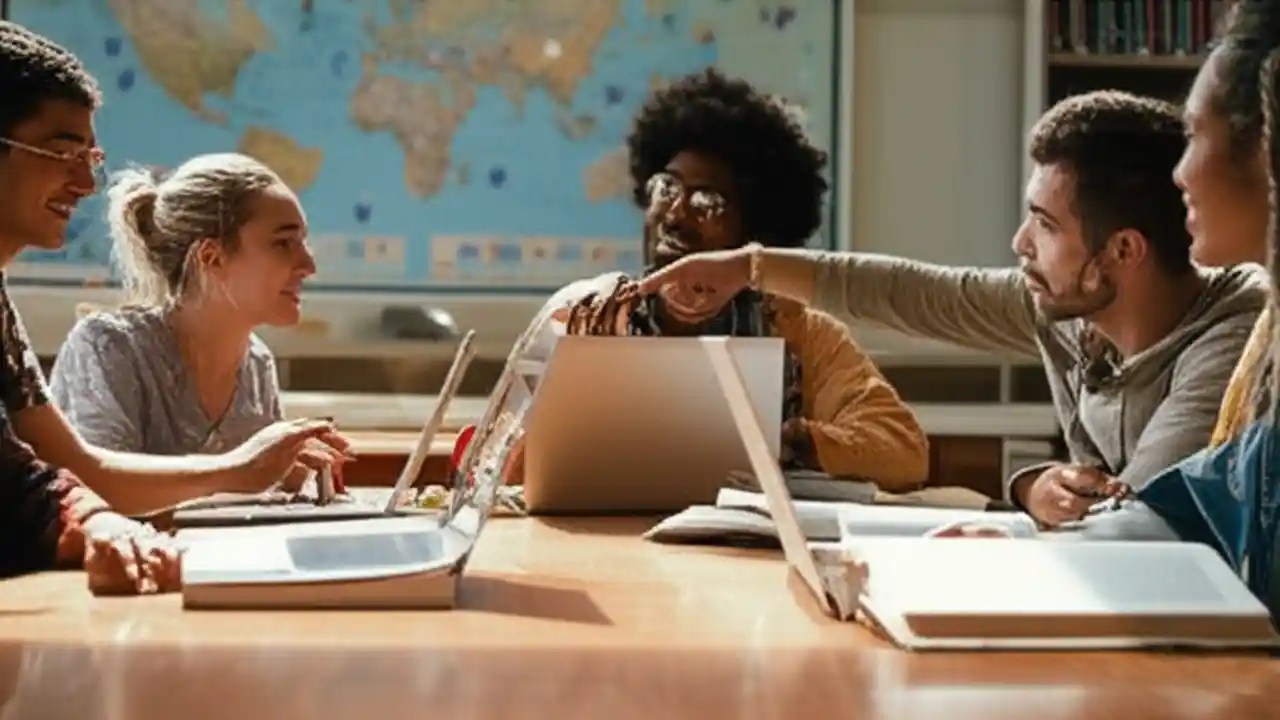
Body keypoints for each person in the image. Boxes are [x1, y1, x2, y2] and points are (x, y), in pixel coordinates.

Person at [635, 89, 1268, 526]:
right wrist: (744, 267)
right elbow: (913, 292)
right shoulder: (1072, 306)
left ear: (1123, 250)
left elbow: (1136, 522)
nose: (1019, 245)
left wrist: (1025, 489)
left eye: (1043, 226)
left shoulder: (1232, 335)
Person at [0, 21, 344, 592]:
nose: (87, 182)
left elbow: (69, 469)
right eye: (63, 152)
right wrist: (106, 520)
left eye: (92, 155)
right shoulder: (112, 345)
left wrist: (248, 472)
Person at [523, 69, 929, 489]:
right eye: (667, 188)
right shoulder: (583, 313)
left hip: (743, 548)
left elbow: (903, 451)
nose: (676, 215)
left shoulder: (800, 332)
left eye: (708, 203)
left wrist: (781, 438)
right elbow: (499, 462)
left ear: (753, 234)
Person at [47, 152, 344, 491]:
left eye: (303, 242)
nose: (308, 265)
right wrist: (242, 468)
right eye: (283, 243)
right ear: (211, 257)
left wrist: (287, 477)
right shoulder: (109, 348)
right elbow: (94, 492)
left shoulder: (257, 365)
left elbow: (237, 506)